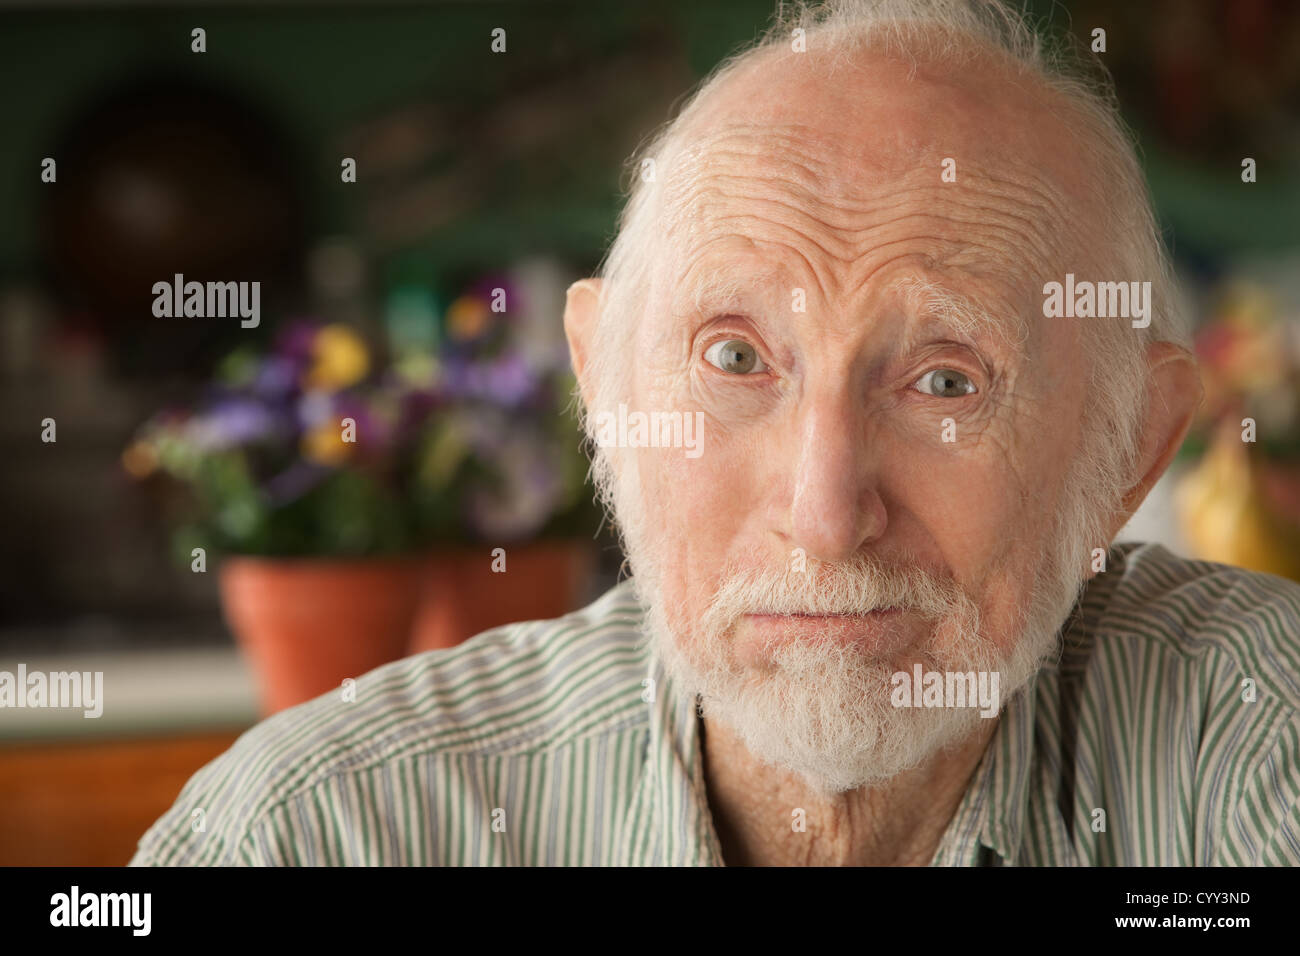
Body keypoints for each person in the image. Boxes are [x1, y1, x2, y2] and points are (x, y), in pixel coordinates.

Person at [131, 0, 1300, 866]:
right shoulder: (317, 835)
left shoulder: (1251, 747)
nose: (825, 512)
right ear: (599, 390)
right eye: (735, 360)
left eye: (947, 381)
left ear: (1130, 449)